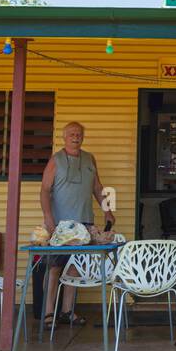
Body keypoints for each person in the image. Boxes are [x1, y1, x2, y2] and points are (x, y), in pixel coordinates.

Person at [36, 121, 114, 328]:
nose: (75, 137)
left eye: (79, 134)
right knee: (54, 267)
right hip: (62, 226)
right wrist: (47, 217)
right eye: (71, 134)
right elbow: (44, 189)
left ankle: (67, 311)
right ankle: (48, 313)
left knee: (76, 267)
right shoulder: (56, 160)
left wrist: (107, 210)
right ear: (64, 137)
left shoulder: (89, 159)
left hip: (85, 222)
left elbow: (98, 188)